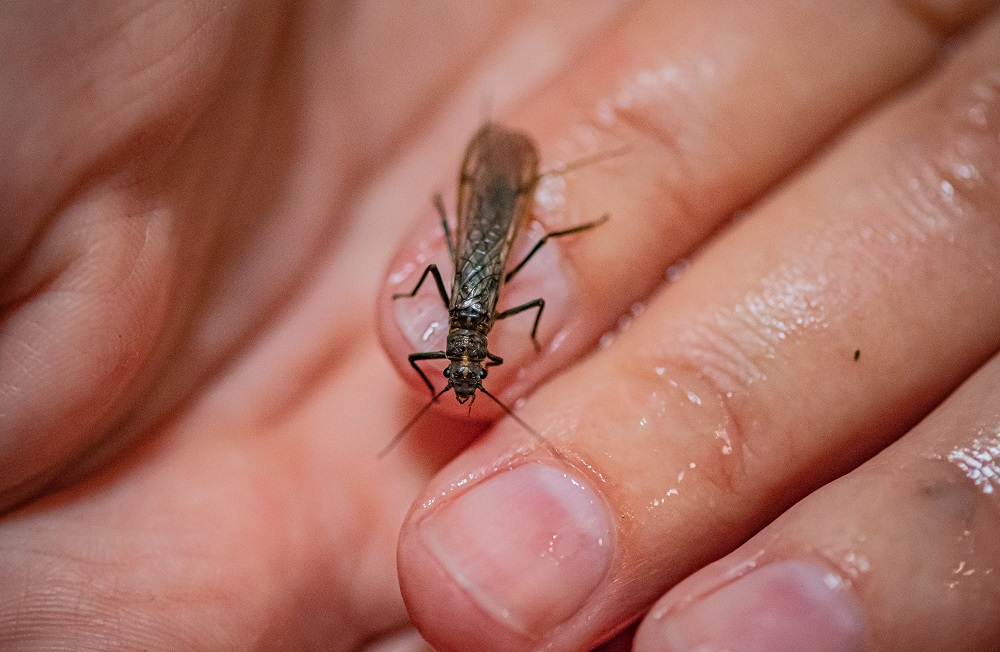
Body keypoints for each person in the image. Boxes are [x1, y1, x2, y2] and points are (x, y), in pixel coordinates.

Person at [2, 3, 999, 650]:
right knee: (499, 251)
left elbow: (484, 270)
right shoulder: (470, 333)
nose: (462, 365)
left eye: (465, 359)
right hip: (484, 216)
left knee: (507, 240)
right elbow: (483, 285)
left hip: (492, 207)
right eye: (465, 360)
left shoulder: (468, 328)